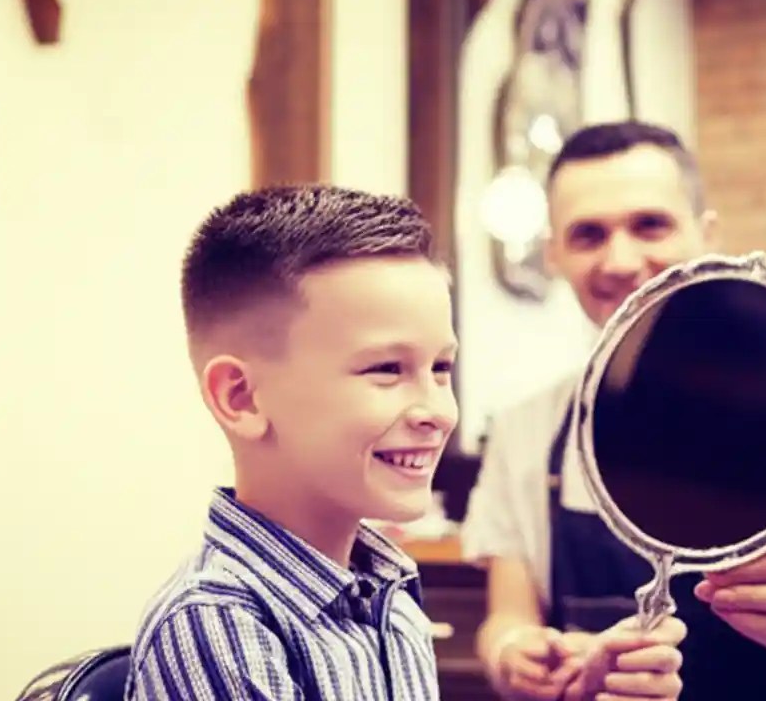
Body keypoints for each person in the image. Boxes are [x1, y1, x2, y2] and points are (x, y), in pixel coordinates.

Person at [125, 184, 685, 700]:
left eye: (441, 368)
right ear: (242, 398)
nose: (437, 411)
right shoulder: (218, 627)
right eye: (387, 369)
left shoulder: (388, 597)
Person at [462, 122, 766, 701]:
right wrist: (512, 655)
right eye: (588, 234)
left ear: (706, 235)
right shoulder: (525, 429)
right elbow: (508, 615)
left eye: (650, 224)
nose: (621, 260)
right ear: (554, 255)